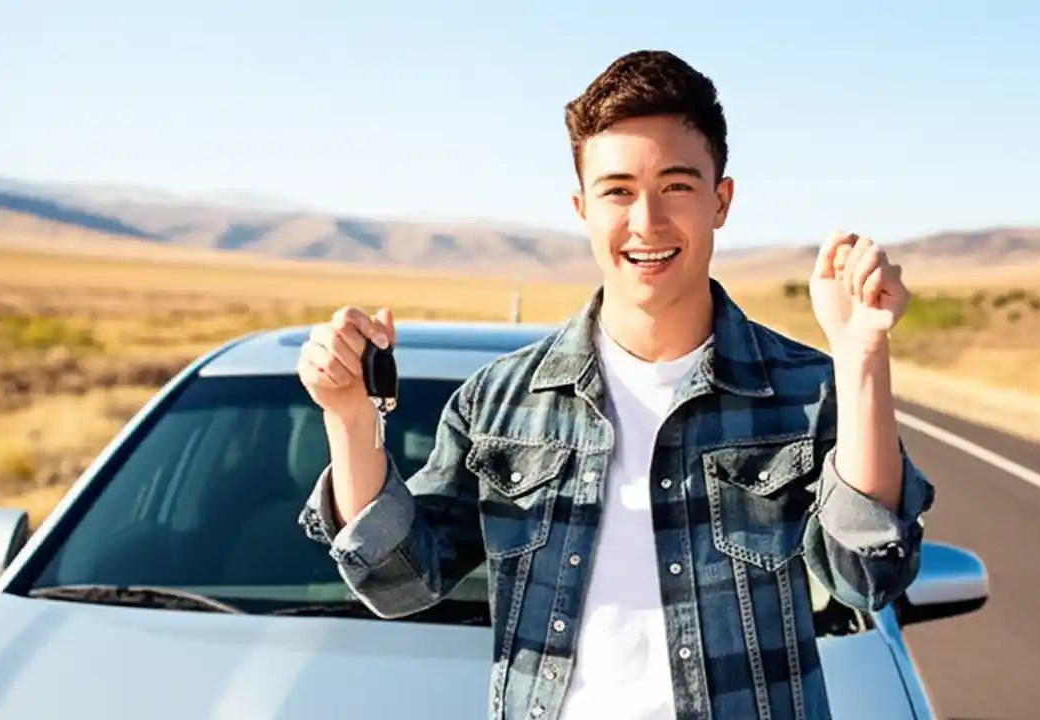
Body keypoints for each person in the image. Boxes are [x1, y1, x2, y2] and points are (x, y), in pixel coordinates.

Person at [297, 49, 934, 720]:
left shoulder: (807, 394)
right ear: (582, 206)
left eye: (677, 186)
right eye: (618, 190)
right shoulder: (498, 405)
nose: (647, 222)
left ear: (722, 200)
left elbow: (868, 576)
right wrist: (347, 417)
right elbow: (399, 584)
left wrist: (862, 354)